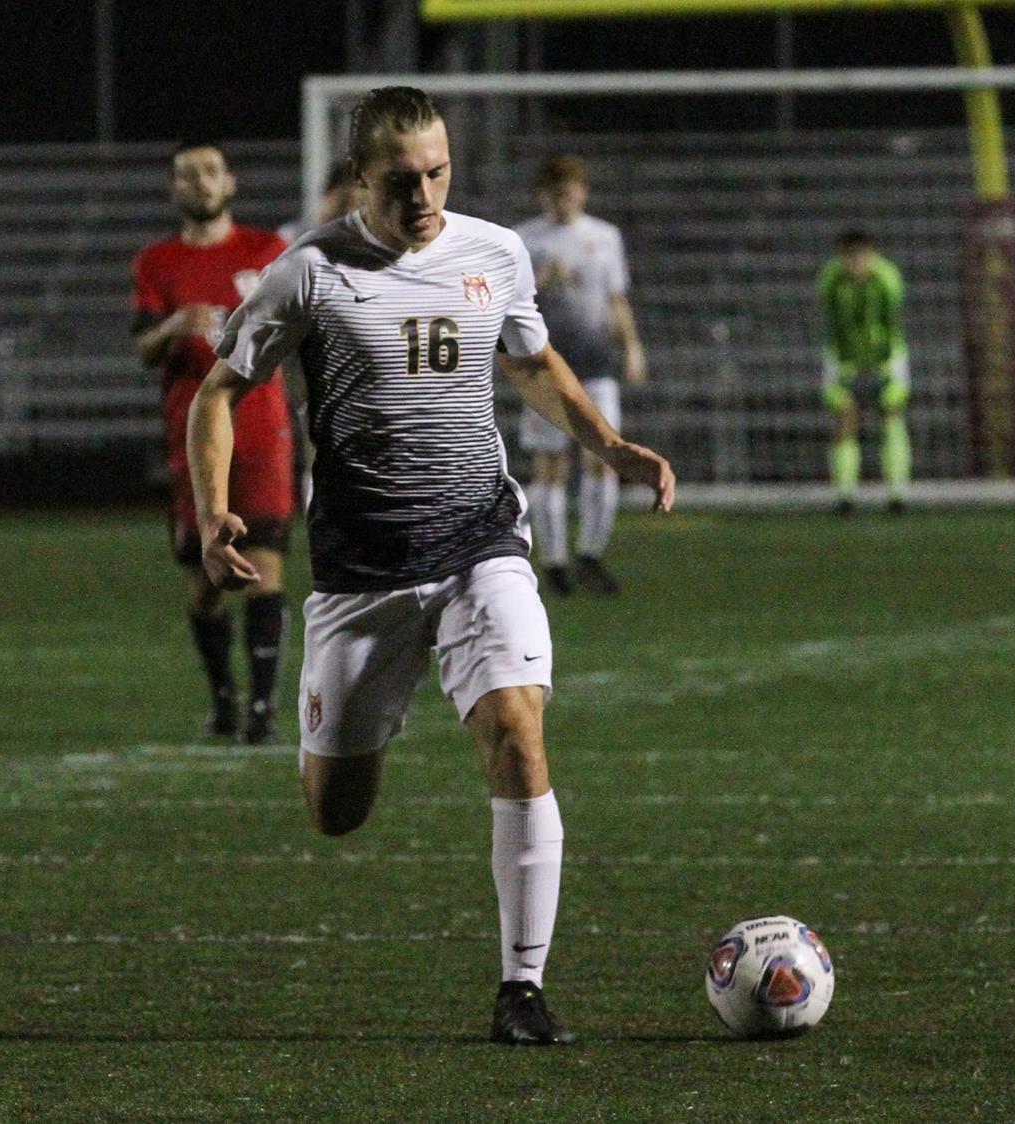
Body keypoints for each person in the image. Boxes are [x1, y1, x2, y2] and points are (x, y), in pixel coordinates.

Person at [187, 86, 674, 1046]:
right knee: (336, 812)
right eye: (402, 180)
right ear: (361, 179)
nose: (424, 196)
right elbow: (218, 392)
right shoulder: (308, 273)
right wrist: (213, 517)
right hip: (361, 571)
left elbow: (530, 364)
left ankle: (521, 990)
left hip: (478, 544)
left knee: (521, 737)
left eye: (438, 172)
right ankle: (376, 702)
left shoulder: (494, 251)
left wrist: (611, 446)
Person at [133, 140, 296, 745]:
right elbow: (143, 351)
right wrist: (174, 326)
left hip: (262, 431)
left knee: (266, 568)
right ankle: (223, 700)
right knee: (206, 584)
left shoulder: (268, 252)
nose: (198, 183)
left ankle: (260, 712)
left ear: (230, 182)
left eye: (208, 172)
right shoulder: (156, 262)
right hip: (192, 439)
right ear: (174, 190)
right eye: (185, 175)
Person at [513, 154, 646, 596]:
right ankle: (553, 564)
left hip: (595, 363)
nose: (563, 201)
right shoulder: (523, 239)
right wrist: (543, 279)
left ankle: (590, 555)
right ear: (542, 196)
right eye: (555, 194)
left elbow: (615, 297)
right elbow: (508, 304)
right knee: (551, 466)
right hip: (544, 365)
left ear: (582, 192)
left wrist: (632, 347)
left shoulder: (604, 237)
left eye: (570, 192)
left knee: (605, 457)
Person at [819, 228, 911, 516]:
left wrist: (889, 368)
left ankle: (897, 494)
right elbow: (834, 329)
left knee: (891, 412)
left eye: (861, 256)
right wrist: (838, 368)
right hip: (845, 360)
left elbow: (892, 327)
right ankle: (845, 496)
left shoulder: (887, 279)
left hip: (885, 358)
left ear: (871, 255)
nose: (855, 263)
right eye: (850, 257)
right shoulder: (830, 281)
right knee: (845, 417)